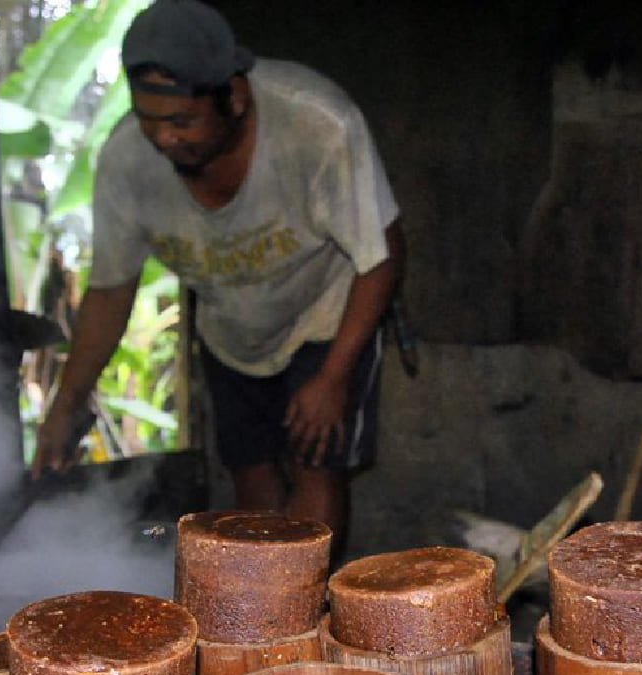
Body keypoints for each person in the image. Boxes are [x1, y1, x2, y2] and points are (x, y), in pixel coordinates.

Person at [29, 0, 404, 557]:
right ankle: (258, 617)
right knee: (250, 475)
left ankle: (299, 612)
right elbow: (111, 289)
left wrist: (332, 377)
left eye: (182, 122)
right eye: (148, 119)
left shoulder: (316, 125)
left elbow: (382, 255)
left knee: (315, 463)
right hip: (232, 329)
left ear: (234, 95)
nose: (163, 140)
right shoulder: (127, 162)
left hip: (327, 312)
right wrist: (68, 400)